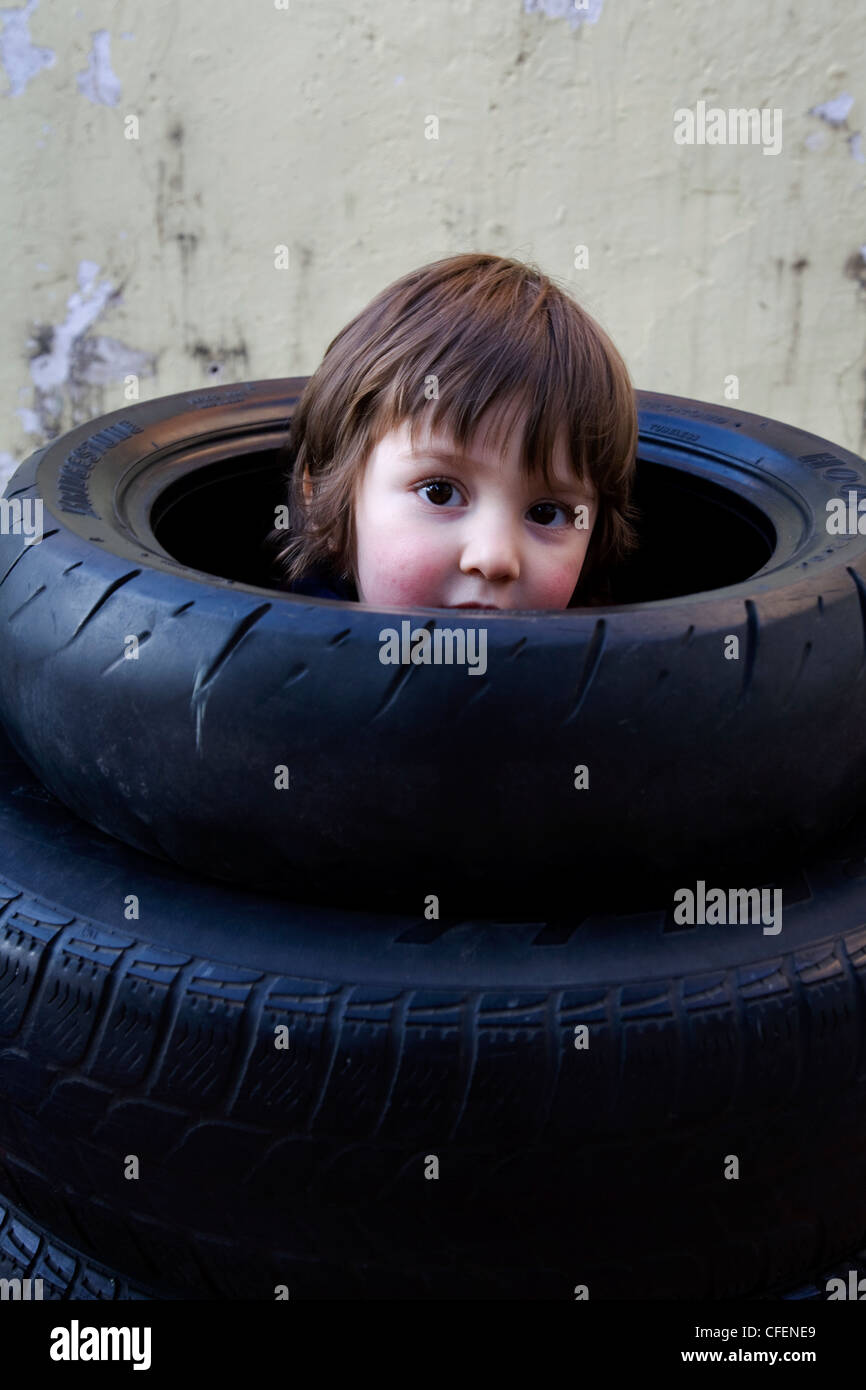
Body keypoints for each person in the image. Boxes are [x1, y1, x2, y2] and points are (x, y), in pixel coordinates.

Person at [265, 251, 640, 609]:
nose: (494, 558)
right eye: (440, 492)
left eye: (546, 513)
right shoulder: (275, 661)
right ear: (324, 501)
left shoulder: (615, 663)